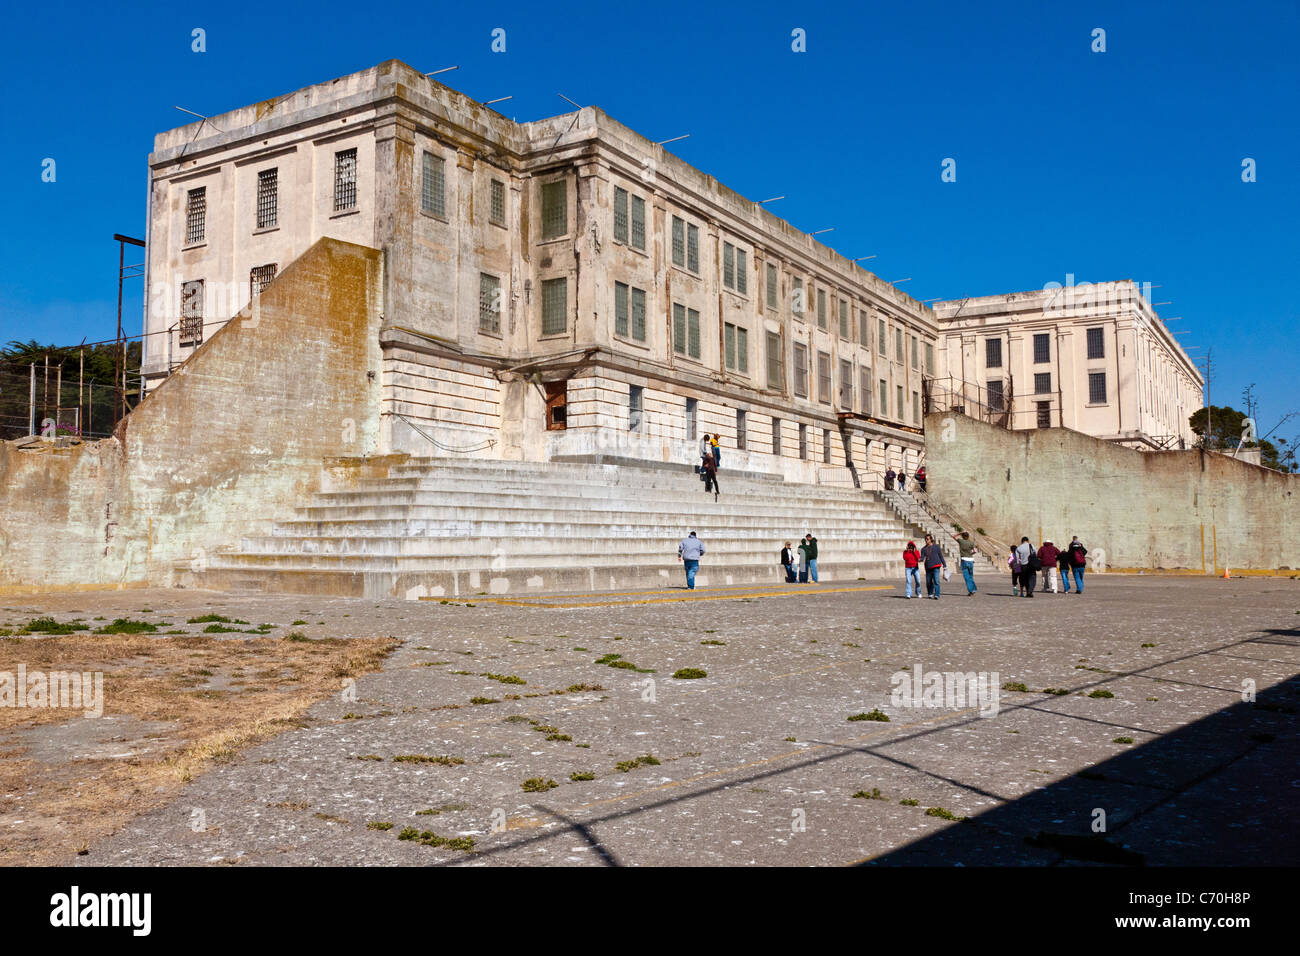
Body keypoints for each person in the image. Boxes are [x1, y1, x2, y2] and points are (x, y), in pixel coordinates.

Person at [919, 534, 946, 599]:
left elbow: (941, 556)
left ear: (931, 539)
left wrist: (945, 565)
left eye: (927, 539)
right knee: (928, 582)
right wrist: (919, 559)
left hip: (936, 566)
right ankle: (930, 593)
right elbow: (922, 558)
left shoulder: (936, 547)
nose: (926, 540)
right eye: (925, 539)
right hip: (928, 567)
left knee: (936, 581)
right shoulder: (923, 549)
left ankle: (937, 594)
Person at [957, 531, 977, 596]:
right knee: (970, 576)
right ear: (968, 536)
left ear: (963, 536)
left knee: (966, 577)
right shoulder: (971, 543)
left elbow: (954, 536)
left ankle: (971, 590)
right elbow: (975, 551)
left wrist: (960, 533)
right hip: (971, 560)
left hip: (964, 560)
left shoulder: (961, 541)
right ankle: (974, 589)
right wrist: (971, 554)